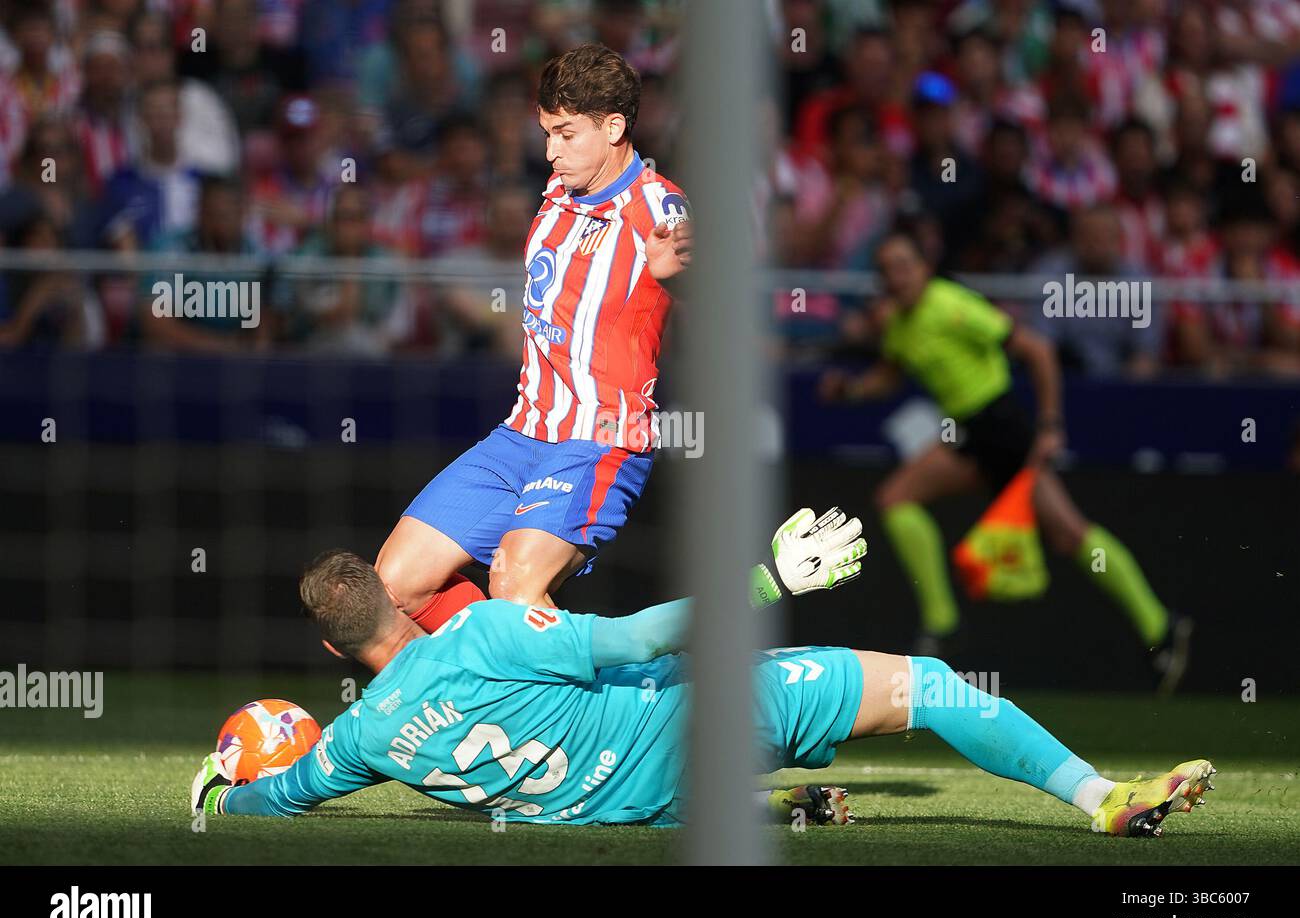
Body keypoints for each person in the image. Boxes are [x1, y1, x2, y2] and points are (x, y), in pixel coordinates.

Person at [190, 508, 1213, 838]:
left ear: (333, 652)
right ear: (399, 596)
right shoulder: (484, 631)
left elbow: (278, 795)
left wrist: (216, 787)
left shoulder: (364, 739)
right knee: (936, 687)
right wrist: (769, 573)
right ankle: (1102, 799)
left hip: (640, 810)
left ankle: (779, 807)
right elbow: (638, 641)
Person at [372, 43, 693, 635]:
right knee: (392, 588)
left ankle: (573, 718)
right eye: (547, 133)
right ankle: (490, 696)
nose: (552, 151)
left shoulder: (658, 206)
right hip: (521, 433)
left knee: (516, 583)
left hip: (598, 438)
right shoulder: (556, 191)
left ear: (615, 126)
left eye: (566, 134)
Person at [819, 231, 1191, 693]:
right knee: (901, 499)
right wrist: (850, 392)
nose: (896, 277)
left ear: (924, 268)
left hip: (1001, 428)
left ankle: (1158, 624)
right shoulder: (899, 323)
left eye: (904, 265)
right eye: (887, 269)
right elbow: (890, 375)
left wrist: (1050, 424)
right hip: (970, 433)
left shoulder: (952, 305)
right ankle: (946, 623)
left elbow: (1038, 349)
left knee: (1066, 532)